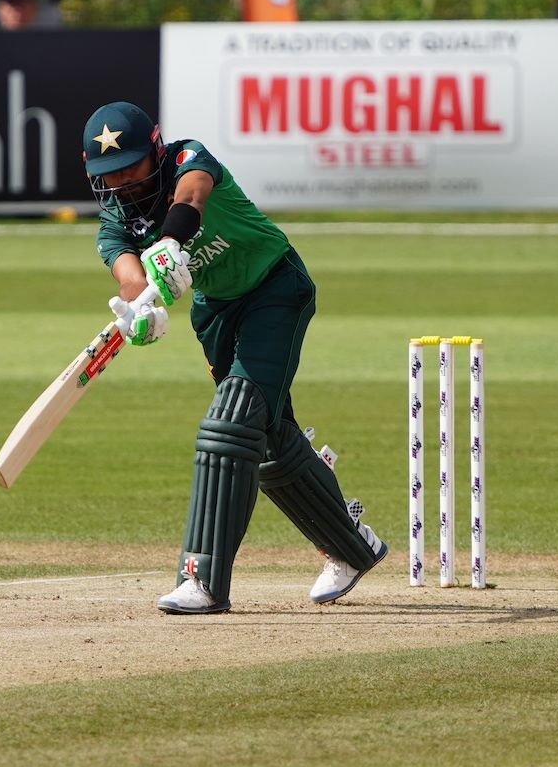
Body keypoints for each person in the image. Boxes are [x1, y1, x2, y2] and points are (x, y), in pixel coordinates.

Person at [83, 101, 388, 614]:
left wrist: (171, 242)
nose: (120, 184)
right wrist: (140, 312)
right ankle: (351, 544)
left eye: (129, 168)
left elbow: (193, 196)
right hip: (216, 313)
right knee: (265, 437)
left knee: (231, 423)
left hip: (273, 286)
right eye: (107, 176)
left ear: (155, 152)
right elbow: (130, 274)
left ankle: (201, 579)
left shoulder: (188, 159)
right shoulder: (115, 219)